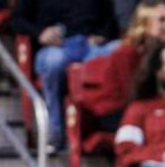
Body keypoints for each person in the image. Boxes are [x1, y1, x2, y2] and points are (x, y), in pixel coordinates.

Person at [10, 0, 120, 149]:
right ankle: (54, 131)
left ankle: (113, 125)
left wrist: (102, 35)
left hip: (92, 47)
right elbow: (17, 20)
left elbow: (111, 21)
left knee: (120, 50)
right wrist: (40, 32)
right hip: (58, 47)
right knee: (53, 62)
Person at [89, 1, 165, 123]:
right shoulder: (126, 53)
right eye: (162, 20)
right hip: (116, 112)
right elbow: (132, 96)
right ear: (145, 24)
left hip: (149, 105)